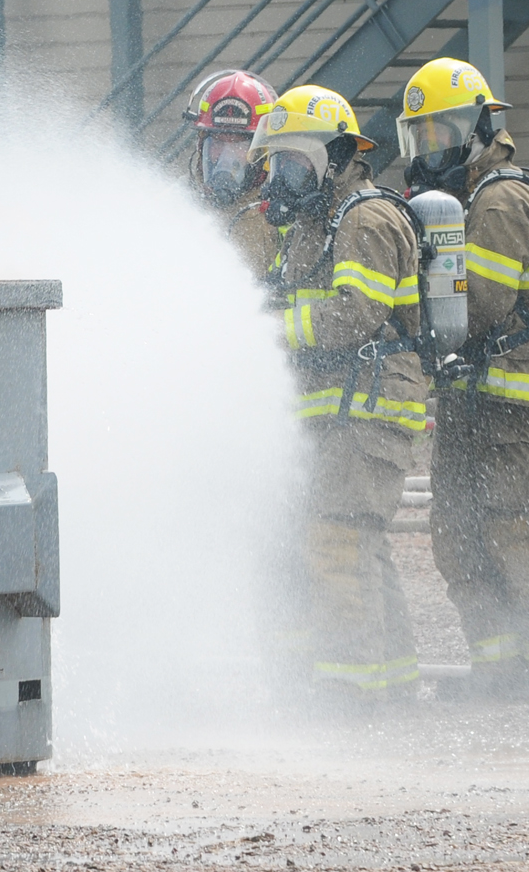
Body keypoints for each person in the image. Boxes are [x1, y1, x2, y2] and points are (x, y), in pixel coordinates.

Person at [397, 58, 529, 700]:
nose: (431, 152)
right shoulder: (462, 204)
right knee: (459, 538)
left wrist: (399, 315)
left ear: (481, 127)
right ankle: (500, 666)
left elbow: (475, 303)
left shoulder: (502, 200)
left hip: (517, 403)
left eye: (443, 133)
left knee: (518, 536)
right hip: (470, 403)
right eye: (421, 138)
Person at [254, 85, 426, 704]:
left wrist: (269, 333)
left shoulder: (365, 218)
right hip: (345, 407)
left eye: (292, 163)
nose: (280, 178)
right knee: (358, 542)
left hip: (371, 403)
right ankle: (393, 682)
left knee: (335, 541)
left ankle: (351, 695)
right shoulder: (314, 226)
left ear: (331, 155)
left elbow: (355, 314)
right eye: (275, 164)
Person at [181, 68, 280, 274]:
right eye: (217, 142)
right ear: (201, 145)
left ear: (263, 150)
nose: (226, 158)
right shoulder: (175, 205)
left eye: (238, 145)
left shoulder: (281, 212)